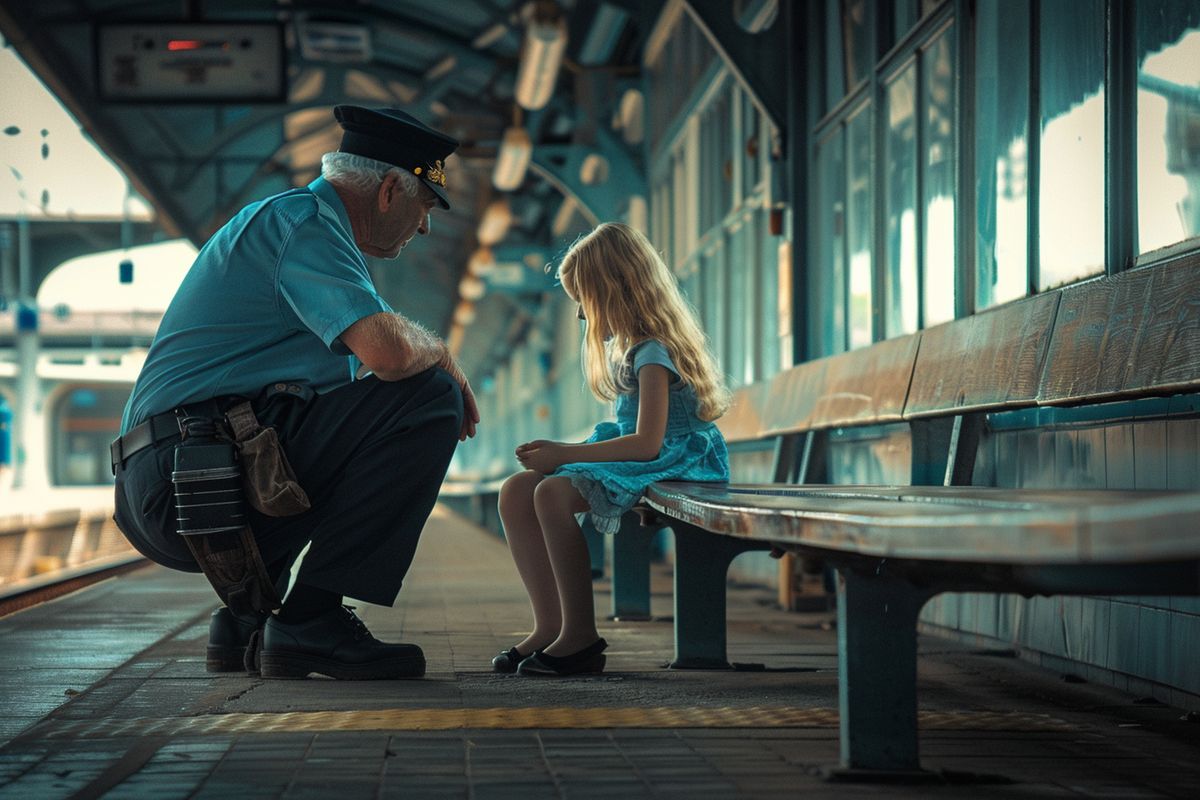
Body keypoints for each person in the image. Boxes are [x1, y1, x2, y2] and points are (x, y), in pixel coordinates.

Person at [111, 105, 480, 680]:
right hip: (185, 478)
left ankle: (247, 621)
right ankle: (311, 619)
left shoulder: (293, 228)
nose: (426, 226)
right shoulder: (305, 225)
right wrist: (444, 356)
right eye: (425, 206)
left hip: (173, 474)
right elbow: (392, 357)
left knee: (343, 414)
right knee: (430, 396)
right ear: (388, 191)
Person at [494, 222, 731, 677]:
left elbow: (647, 443)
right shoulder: (633, 348)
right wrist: (564, 453)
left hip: (679, 457)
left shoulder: (653, 352)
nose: (581, 316)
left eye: (583, 300)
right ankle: (550, 626)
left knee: (550, 493)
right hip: (653, 452)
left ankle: (580, 636)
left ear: (611, 290)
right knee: (516, 491)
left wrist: (564, 454)